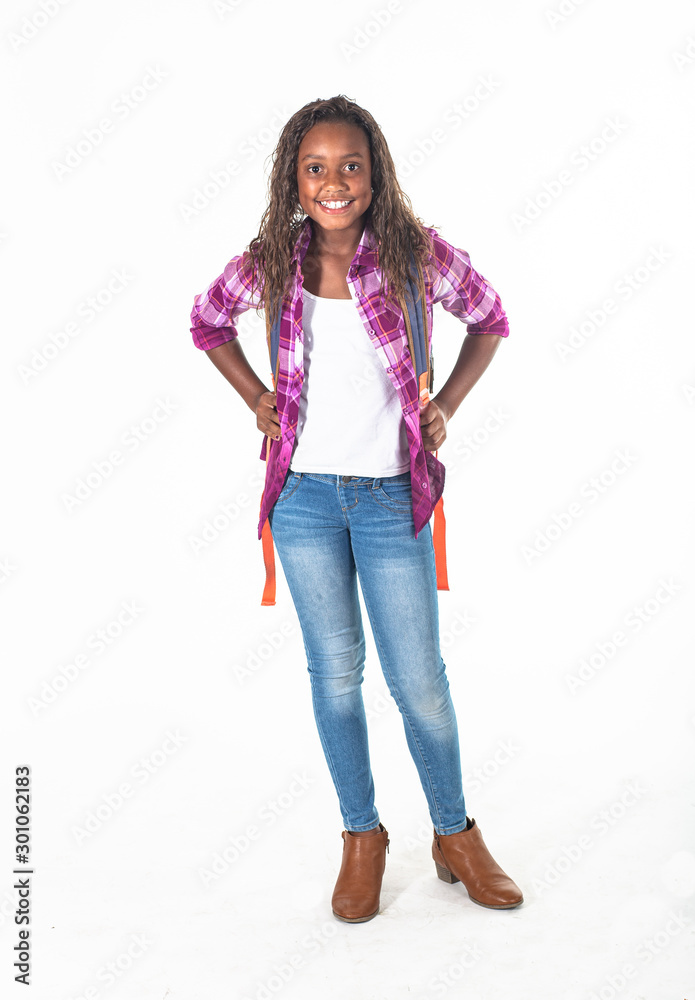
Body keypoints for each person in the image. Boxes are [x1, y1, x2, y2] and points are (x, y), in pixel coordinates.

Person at [189, 95, 523, 922]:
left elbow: (488, 318)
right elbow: (207, 320)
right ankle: (361, 838)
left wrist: (446, 403)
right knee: (335, 677)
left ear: (374, 174)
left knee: (419, 682)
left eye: (349, 166)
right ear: (292, 180)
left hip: (389, 499)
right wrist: (256, 397)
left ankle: (455, 835)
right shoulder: (272, 261)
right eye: (315, 168)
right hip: (302, 500)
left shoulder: (414, 254)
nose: (332, 182)